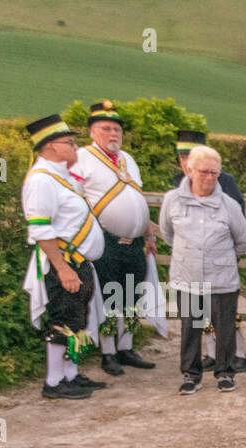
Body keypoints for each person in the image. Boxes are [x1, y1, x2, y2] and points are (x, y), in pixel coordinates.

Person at [20, 114, 107, 399]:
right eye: (69, 143)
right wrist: (62, 268)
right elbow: (40, 229)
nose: (74, 148)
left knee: (76, 321)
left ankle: (71, 373)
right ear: (50, 147)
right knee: (63, 322)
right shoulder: (42, 180)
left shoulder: (61, 176)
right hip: (64, 264)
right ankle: (54, 382)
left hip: (78, 262)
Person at [158, 145, 246, 394]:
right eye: (203, 172)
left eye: (214, 173)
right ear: (190, 170)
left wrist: (221, 258)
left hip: (222, 278)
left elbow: (243, 240)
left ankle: (225, 372)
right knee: (190, 326)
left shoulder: (229, 204)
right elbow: (167, 234)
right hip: (187, 276)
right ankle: (191, 374)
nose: (209, 178)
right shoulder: (172, 200)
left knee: (224, 327)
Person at [71, 100, 158, 376]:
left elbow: (138, 198)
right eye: (106, 128)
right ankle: (108, 352)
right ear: (92, 132)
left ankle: (127, 346)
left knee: (131, 297)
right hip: (104, 241)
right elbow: (74, 200)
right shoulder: (81, 158)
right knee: (108, 297)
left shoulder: (127, 159)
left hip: (134, 243)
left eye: (117, 129)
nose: (113, 134)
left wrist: (148, 234)